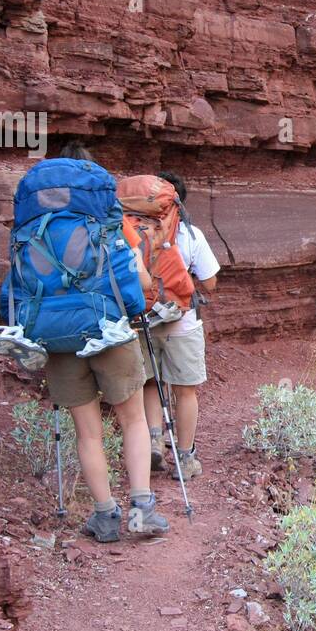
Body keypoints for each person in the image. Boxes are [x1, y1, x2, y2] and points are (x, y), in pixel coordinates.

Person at [26, 142, 169, 542]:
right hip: (109, 331)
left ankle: (105, 517)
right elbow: (139, 281)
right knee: (134, 420)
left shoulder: (34, 225)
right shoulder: (108, 222)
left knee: (87, 432)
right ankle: (141, 511)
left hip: (58, 339)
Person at [140, 171, 220, 481]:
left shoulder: (132, 231)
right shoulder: (191, 234)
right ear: (179, 203)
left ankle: (153, 440)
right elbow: (210, 283)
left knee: (150, 382)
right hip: (180, 320)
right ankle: (185, 459)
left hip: (141, 320)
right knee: (185, 391)